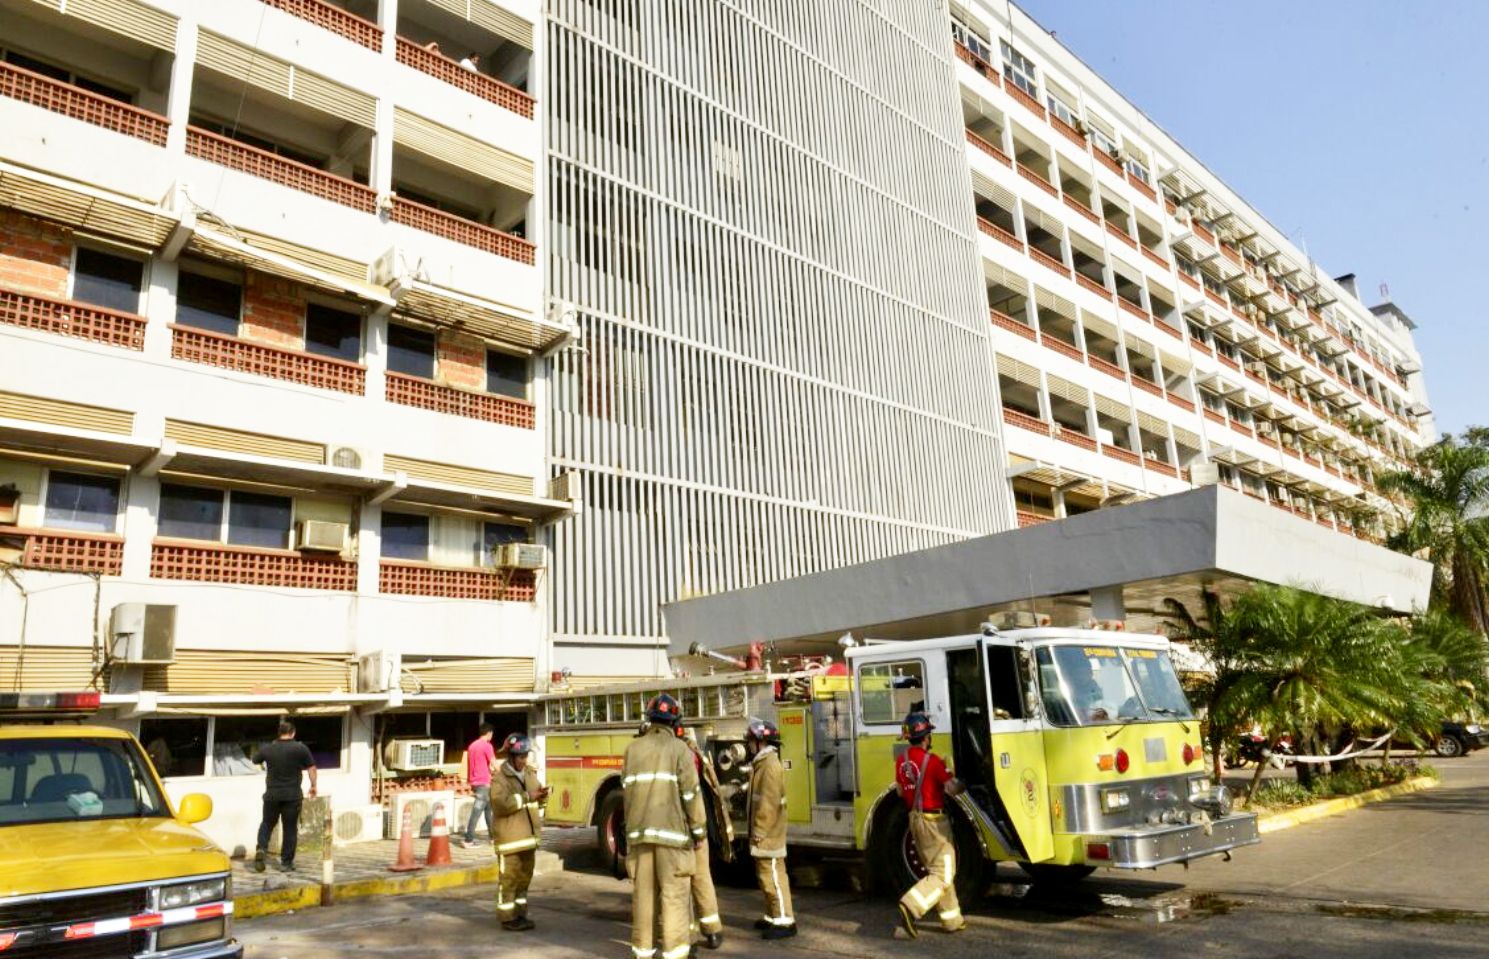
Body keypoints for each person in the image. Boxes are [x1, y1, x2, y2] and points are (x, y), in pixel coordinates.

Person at [623, 694, 706, 959]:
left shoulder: (632, 749)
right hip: (673, 838)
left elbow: (627, 795)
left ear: (649, 718)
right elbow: (691, 796)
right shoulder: (679, 749)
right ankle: (675, 953)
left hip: (640, 837)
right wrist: (699, 831)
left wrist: (630, 834)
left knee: (644, 897)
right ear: (674, 721)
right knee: (673, 897)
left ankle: (642, 951)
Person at [893, 712, 966, 938]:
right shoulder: (932, 762)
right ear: (926, 737)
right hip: (935, 823)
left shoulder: (901, 760)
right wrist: (961, 781)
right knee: (944, 873)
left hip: (915, 820)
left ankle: (951, 920)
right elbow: (952, 789)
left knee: (938, 869)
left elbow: (898, 790)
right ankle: (910, 906)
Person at [679, 725, 733, 950]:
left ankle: (687, 936)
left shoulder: (678, 758)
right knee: (702, 879)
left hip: (684, 830)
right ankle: (712, 931)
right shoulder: (697, 756)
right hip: (702, 826)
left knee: (681, 884)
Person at [491, 732, 547, 931]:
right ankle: (507, 918)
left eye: (526, 756)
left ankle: (520, 915)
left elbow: (536, 797)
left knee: (524, 880)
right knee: (509, 881)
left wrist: (542, 796)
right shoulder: (500, 779)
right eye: (521, 757)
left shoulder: (530, 775)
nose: (524, 760)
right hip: (510, 842)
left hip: (528, 839)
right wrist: (527, 796)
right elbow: (500, 805)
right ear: (511, 757)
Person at [745, 719, 795, 939]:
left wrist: (759, 830)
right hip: (767, 832)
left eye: (750, 741)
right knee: (766, 875)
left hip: (769, 833)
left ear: (760, 741)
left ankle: (785, 920)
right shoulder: (763, 763)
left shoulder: (769, 765)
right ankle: (773, 915)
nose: (748, 745)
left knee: (773, 875)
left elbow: (768, 803)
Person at [251, 720, 317, 873]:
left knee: (267, 823)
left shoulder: (269, 748)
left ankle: (261, 849)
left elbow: (255, 759)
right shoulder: (300, 748)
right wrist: (313, 786)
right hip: (292, 796)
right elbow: (311, 768)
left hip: (272, 795)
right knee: (289, 829)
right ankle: (286, 863)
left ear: (279, 733)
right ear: (293, 733)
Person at [462, 723, 498, 847]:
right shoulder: (487, 746)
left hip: (475, 782)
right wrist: (504, 774)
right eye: (492, 734)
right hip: (483, 783)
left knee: (489, 811)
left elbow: (473, 764)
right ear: (489, 733)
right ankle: (468, 840)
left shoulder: (472, 746)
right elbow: (494, 763)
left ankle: (493, 838)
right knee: (476, 812)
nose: (492, 736)